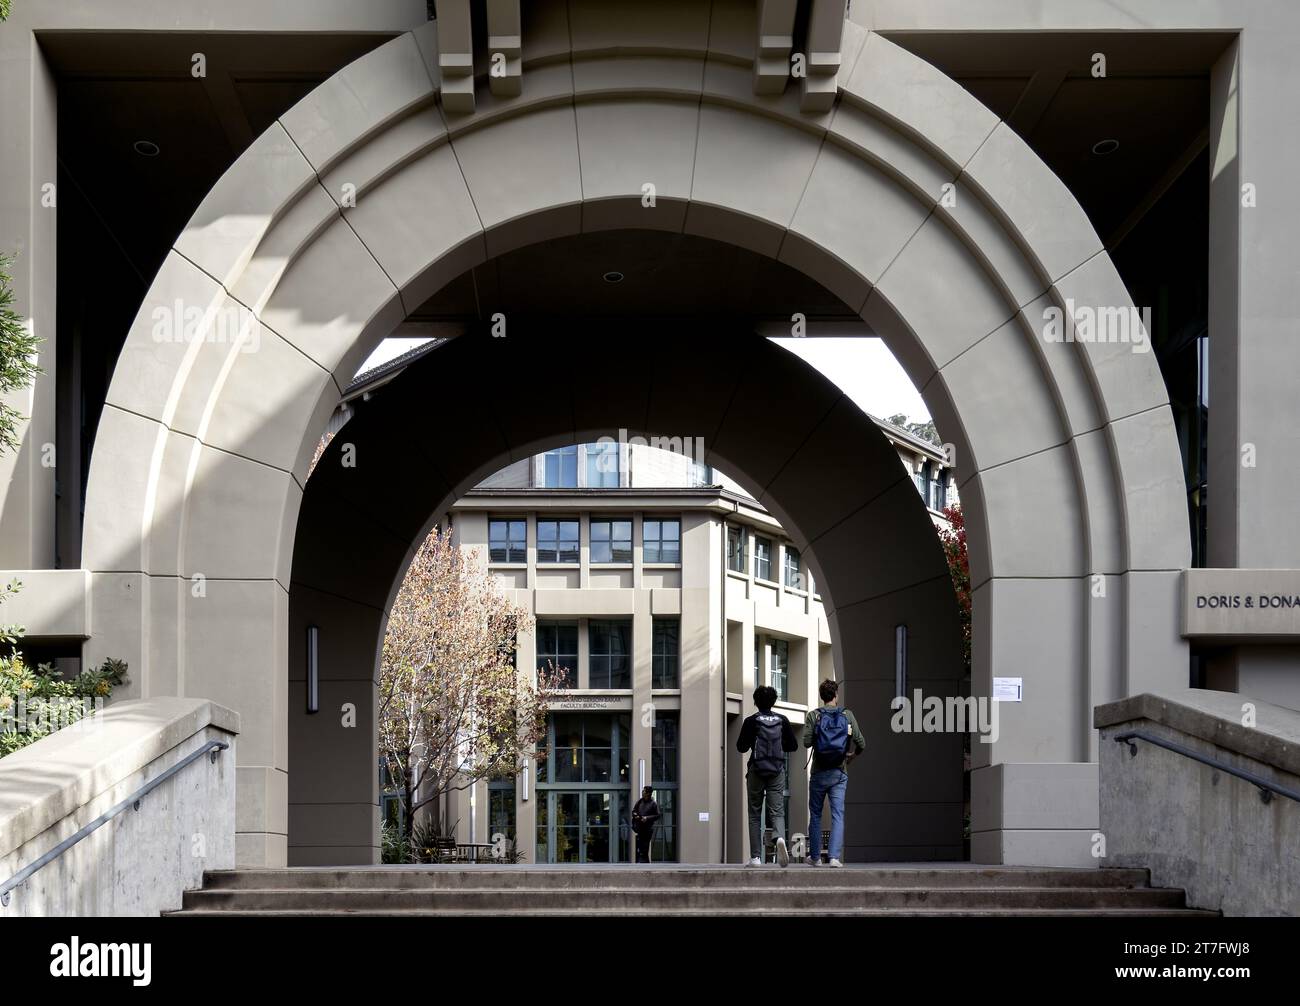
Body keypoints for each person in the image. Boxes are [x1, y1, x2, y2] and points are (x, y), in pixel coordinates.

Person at [803, 678, 865, 868]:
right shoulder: (847, 714)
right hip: (839, 772)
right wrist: (852, 755)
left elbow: (806, 742)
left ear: (822, 697)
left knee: (815, 814)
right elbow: (861, 743)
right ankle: (834, 858)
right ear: (836, 695)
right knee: (838, 814)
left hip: (819, 772)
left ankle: (815, 858)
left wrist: (818, 737)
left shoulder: (814, 716)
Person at [736, 684, 798, 866]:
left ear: (755, 702)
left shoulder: (751, 721)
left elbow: (741, 747)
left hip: (756, 770)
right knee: (777, 810)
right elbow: (793, 746)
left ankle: (755, 857)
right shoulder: (782, 719)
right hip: (777, 770)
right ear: (773, 702)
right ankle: (778, 837)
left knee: (754, 813)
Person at [630, 786, 660, 864]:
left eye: (644, 791)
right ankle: (642, 861)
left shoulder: (653, 804)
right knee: (640, 846)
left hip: (648, 828)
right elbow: (633, 811)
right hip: (639, 827)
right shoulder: (640, 801)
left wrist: (647, 818)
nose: (642, 792)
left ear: (648, 793)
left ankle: (644, 862)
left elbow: (657, 815)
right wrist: (635, 815)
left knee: (645, 847)